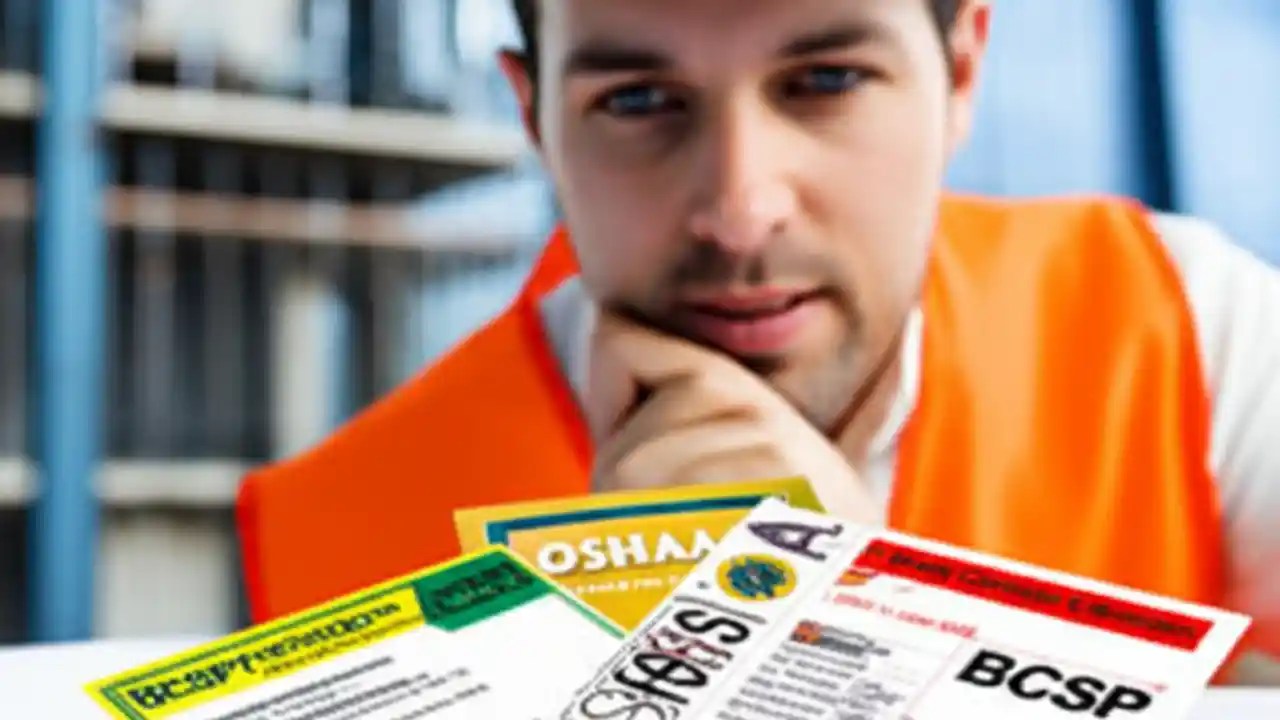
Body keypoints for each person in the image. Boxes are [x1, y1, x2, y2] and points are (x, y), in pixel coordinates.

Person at [236, 0, 1279, 681]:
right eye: (637, 101)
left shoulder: (1188, 326)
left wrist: (878, 627)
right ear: (534, 116)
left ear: (960, 68)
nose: (739, 210)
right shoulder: (334, 534)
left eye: (824, 79)